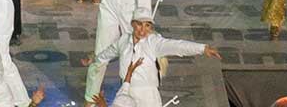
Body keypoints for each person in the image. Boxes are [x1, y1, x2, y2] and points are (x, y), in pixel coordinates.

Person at [81, 11, 220, 107]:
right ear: (133, 24)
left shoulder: (153, 43)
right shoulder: (123, 41)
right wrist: (94, 59)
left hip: (148, 95)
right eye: (139, 24)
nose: (143, 30)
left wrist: (202, 48)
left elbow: (177, 46)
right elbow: (107, 53)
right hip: (127, 92)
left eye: (147, 25)